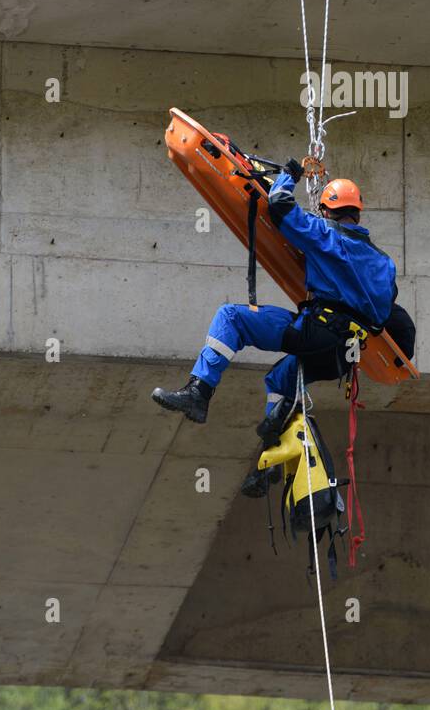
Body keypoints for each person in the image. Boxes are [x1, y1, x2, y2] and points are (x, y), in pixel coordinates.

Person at [151, 164, 416, 486]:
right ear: (357, 214)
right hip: (343, 358)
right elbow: (385, 310)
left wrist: (291, 172)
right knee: (280, 381)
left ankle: (198, 392)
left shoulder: (325, 234)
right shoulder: (384, 263)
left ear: (327, 210)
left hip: (318, 331)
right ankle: (270, 462)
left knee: (231, 317)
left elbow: (279, 205)